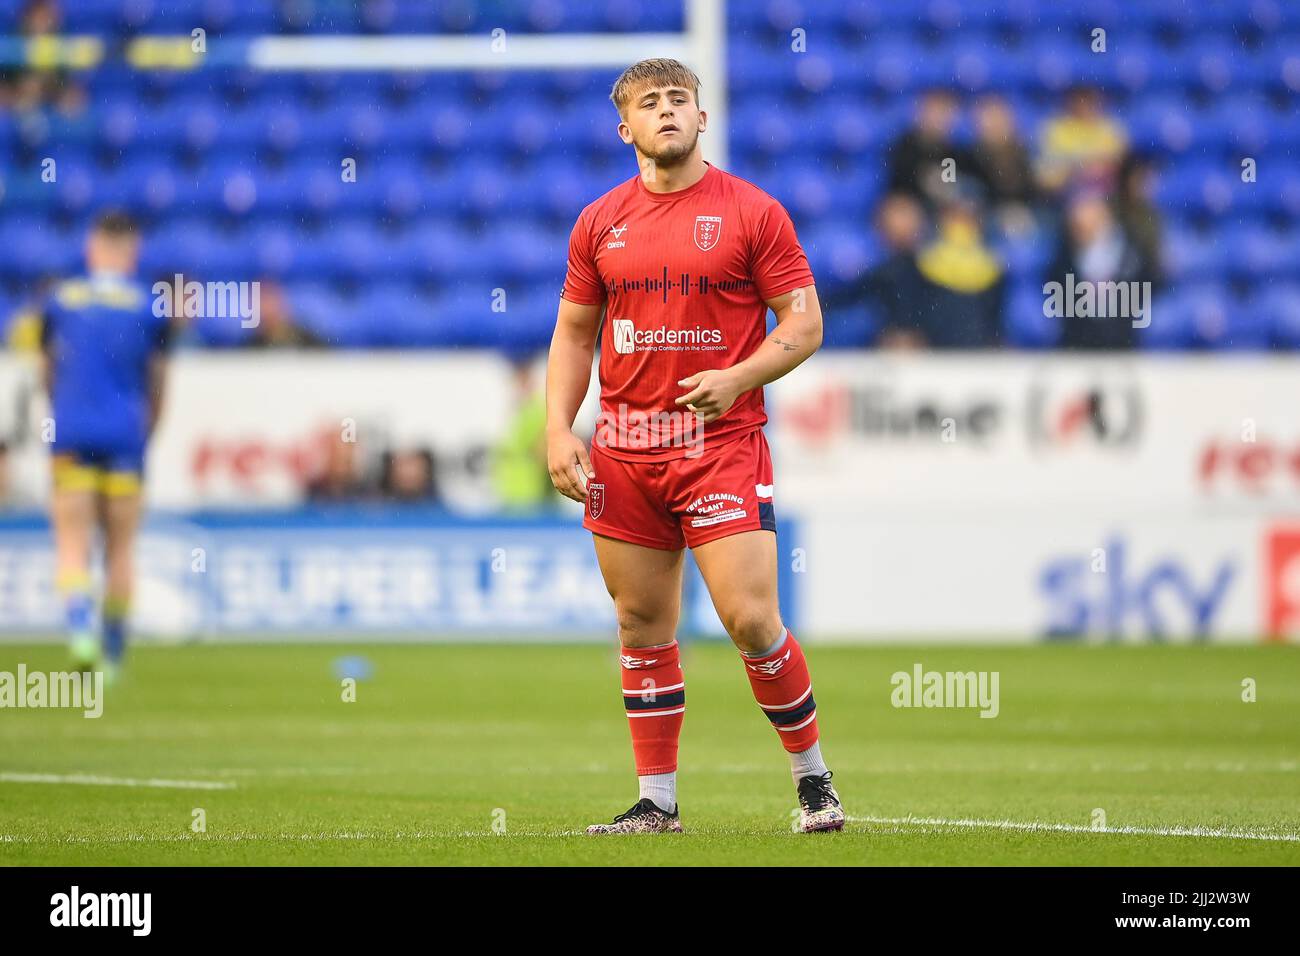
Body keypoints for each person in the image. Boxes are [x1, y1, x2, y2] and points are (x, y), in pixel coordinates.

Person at [546, 58, 844, 835]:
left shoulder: (754, 212)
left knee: (750, 620)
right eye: (651, 103)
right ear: (626, 129)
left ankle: (815, 784)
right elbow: (575, 333)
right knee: (642, 625)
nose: (668, 111)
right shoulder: (597, 223)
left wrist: (738, 376)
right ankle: (657, 803)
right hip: (624, 451)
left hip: (721, 445)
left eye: (681, 100)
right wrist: (557, 427)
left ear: (703, 119)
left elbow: (804, 326)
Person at [38, 210, 172, 680]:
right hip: (125, 437)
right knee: (120, 548)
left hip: (72, 432)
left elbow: (48, 369)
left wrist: (60, 417)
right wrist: (146, 434)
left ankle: (79, 633)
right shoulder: (148, 305)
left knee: (72, 542)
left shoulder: (61, 299)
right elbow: (157, 381)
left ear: (92, 247)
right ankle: (113, 657)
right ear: (131, 251)